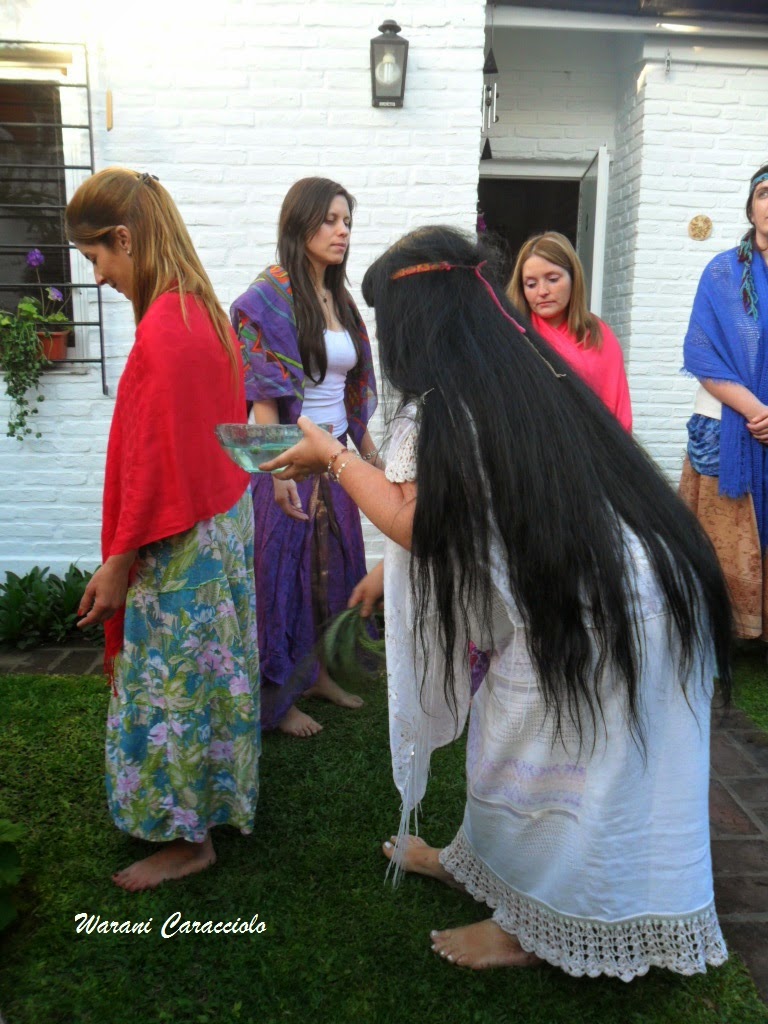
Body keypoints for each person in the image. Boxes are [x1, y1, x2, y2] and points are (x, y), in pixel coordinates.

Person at [261, 225, 732, 980]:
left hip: (603, 611)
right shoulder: (522, 366)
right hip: (632, 591)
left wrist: (335, 457)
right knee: (514, 740)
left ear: (411, 322)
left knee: (558, 761)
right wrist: (386, 568)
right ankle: (479, 866)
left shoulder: (440, 402)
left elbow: (420, 519)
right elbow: (456, 509)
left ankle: (533, 926)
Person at [66, 168, 259, 891]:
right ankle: (210, 807)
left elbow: (152, 463)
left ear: (124, 238)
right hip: (216, 527)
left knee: (171, 686)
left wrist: (117, 562)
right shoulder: (203, 314)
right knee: (211, 679)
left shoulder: (165, 332)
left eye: (96, 258)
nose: (99, 275)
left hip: (179, 542)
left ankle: (186, 840)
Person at [230, 177, 378, 738]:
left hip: (337, 459)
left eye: (347, 222)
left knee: (331, 576)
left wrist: (369, 452)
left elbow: (349, 388)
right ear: (301, 223)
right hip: (290, 461)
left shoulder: (339, 300)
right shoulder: (268, 298)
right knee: (281, 581)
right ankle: (276, 700)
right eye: (331, 221)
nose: (342, 231)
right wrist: (272, 475)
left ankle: (315, 675)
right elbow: (261, 396)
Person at [680, 163, 768, 641]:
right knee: (724, 532)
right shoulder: (722, 272)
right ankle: (724, 628)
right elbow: (699, 350)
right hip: (724, 423)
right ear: (751, 207)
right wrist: (756, 410)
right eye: (766, 193)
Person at [507, 231, 632, 431]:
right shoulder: (513, 335)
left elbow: (618, 409)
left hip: (593, 449)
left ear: (574, 278)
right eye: (531, 284)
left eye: (553, 279)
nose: (542, 291)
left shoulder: (598, 334)